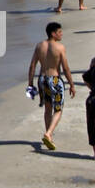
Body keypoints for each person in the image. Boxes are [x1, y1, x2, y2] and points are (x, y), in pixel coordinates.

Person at [28, 22, 74, 151]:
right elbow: (65, 68)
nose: (61, 34)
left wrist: (30, 84)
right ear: (53, 33)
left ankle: (50, 136)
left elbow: (32, 66)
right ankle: (48, 133)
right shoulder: (60, 47)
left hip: (42, 79)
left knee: (48, 109)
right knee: (58, 109)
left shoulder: (39, 46)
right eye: (59, 32)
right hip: (54, 79)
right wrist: (71, 84)